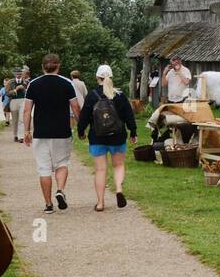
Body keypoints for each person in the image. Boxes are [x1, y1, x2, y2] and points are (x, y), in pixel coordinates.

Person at [24, 54, 80, 214]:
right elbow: (75, 107)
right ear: (58, 66)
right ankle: (60, 190)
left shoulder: (33, 84)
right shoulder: (67, 83)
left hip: (41, 132)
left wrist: (26, 130)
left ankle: (48, 204)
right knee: (62, 164)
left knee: (44, 169)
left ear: (43, 67)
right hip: (62, 131)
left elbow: (28, 110)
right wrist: (81, 126)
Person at [78, 64, 137, 212]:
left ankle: (100, 203)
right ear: (111, 77)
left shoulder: (92, 95)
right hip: (117, 137)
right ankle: (118, 189)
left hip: (97, 137)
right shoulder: (120, 95)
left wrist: (81, 131)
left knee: (100, 170)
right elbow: (129, 116)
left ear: (97, 77)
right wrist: (133, 132)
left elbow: (84, 116)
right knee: (118, 165)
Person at [9, 67, 30, 142]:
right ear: (14, 74)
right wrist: (15, 90)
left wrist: (23, 88)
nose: (18, 75)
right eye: (17, 73)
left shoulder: (26, 81)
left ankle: (21, 136)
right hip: (13, 101)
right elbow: (7, 93)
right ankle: (15, 135)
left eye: (20, 73)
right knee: (15, 119)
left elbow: (29, 91)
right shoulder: (10, 82)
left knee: (21, 119)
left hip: (23, 100)